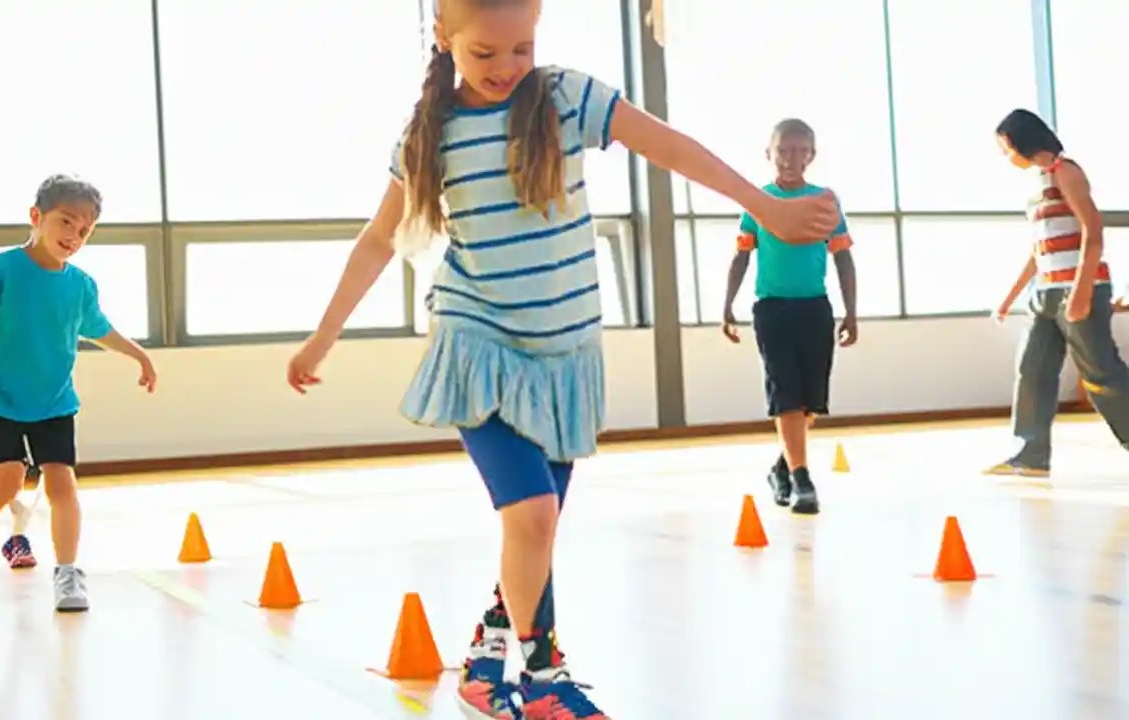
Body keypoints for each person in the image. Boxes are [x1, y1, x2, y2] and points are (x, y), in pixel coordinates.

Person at [285, 1, 838, 716]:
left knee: (534, 531)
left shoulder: (565, 97)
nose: (507, 67)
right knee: (535, 513)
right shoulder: (430, 134)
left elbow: (668, 145)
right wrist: (324, 333)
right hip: (477, 344)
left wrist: (763, 208)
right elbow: (378, 239)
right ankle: (544, 680)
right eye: (485, 53)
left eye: (522, 48)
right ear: (443, 37)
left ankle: (485, 665)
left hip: (564, 352)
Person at [0, 174, 157, 612]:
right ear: (36, 217)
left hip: (54, 401)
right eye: (65, 223)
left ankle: (67, 573)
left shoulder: (80, 284)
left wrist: (141, 356)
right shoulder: (1, 268)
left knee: (63, 484)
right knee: (5, 480)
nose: (73, 236)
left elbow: (100, 329)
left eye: (84, 231)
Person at [721, 119, 857, 515]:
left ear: (811, 155)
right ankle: (802, 479)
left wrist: (852, 311)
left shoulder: (825, 201)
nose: (791, 159)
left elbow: (843, 257)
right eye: (783, 150)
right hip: (772, 309)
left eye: (800, 151)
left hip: (815, 307)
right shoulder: (758, 202)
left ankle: (782, 466)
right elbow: (742, 254)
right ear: (769, 154)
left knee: (811, 400)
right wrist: (727, 304)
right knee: (786, 392)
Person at [987, 109, 1129, 477]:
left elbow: (1093, 229)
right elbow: (1039, 251)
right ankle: (1030, 455)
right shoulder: (1037, 189)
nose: (1006, 156)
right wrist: (1009, 298)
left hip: (1080, 288)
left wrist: (1081, 292)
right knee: (1032, 369)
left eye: (1006, 148)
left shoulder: (1066, 172)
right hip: (1045, 293)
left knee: (1101, 373)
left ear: (1022, 141)